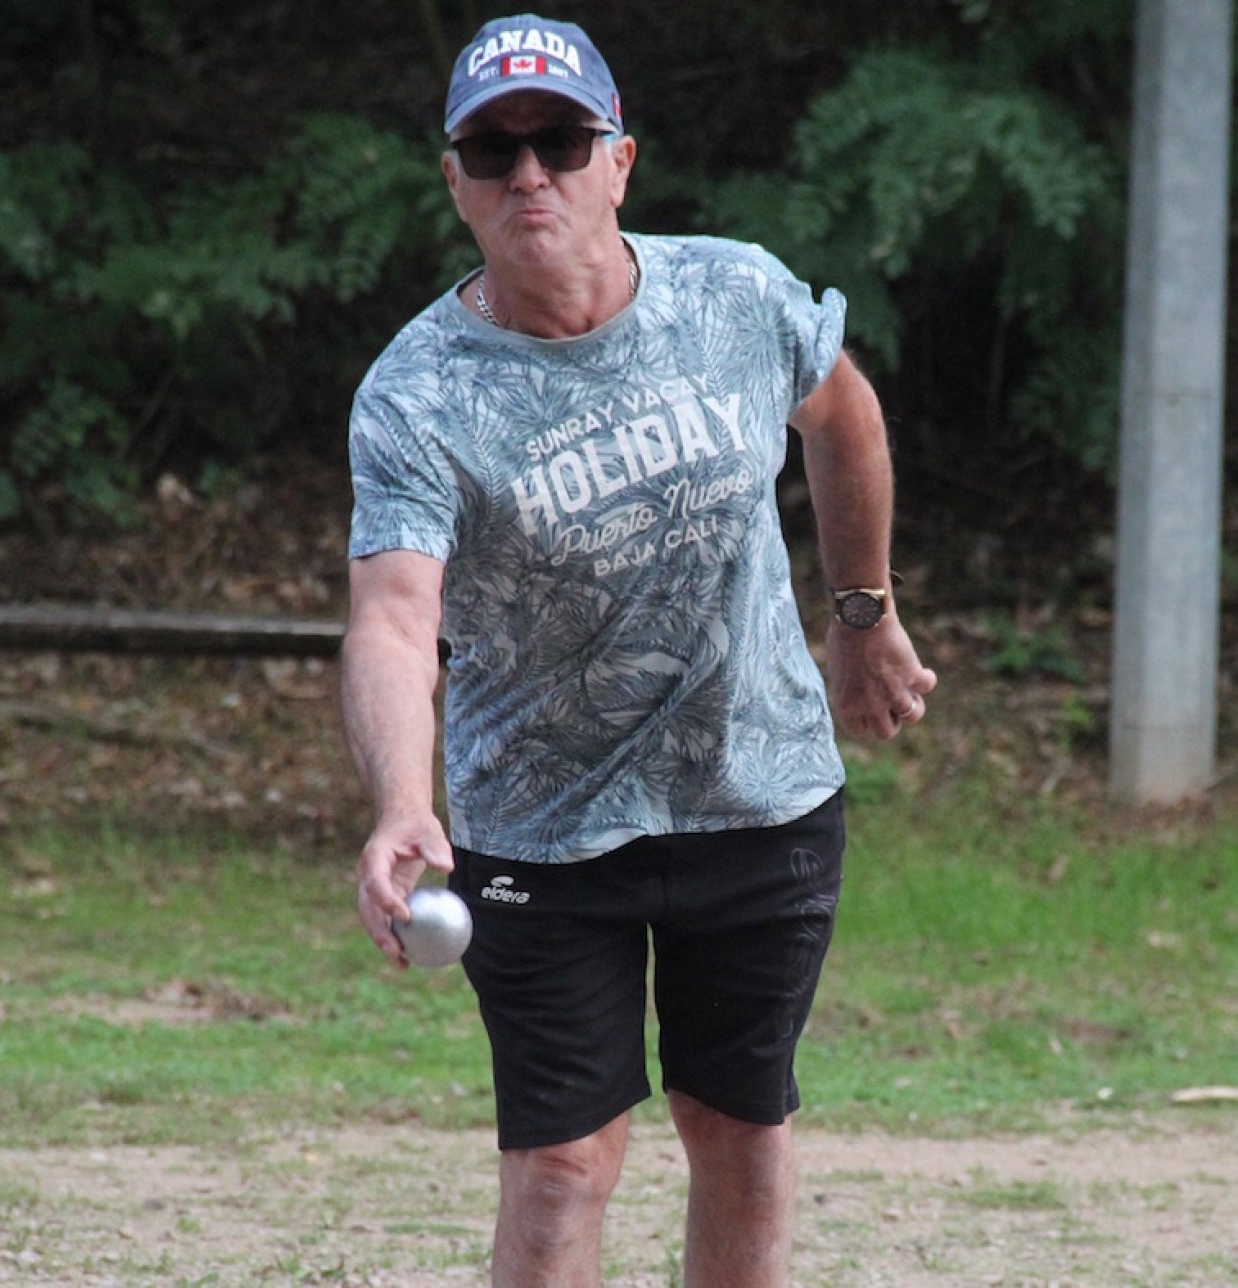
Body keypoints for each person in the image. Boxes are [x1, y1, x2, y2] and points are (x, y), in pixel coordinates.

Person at [341, 13, 937, 1286]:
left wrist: (864, 612)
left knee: (740, 1136)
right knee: (562, 1169)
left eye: (558, 140)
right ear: (454, 181)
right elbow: (394, 614)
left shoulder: (734, 293)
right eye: (491, 151)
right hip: (541, 828)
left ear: (620, 159)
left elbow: (843, 412)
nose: (528, 176)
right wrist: (401, 800)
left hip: (757, 792)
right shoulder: (418, 392)